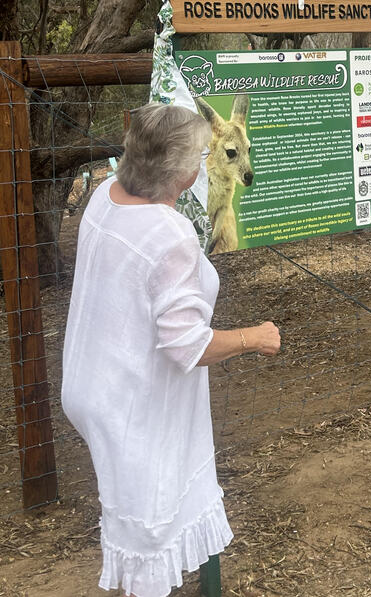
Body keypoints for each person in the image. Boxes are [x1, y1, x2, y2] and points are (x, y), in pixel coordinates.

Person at [62, 103, 280, 597]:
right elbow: (187, 346)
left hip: (93, 380)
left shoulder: (104, 195)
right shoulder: (169, 233)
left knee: (134, 510)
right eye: (201, 154)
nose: (205, 162)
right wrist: (254, 337)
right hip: (134, 404)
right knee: (152, 522)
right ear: (180, 169)